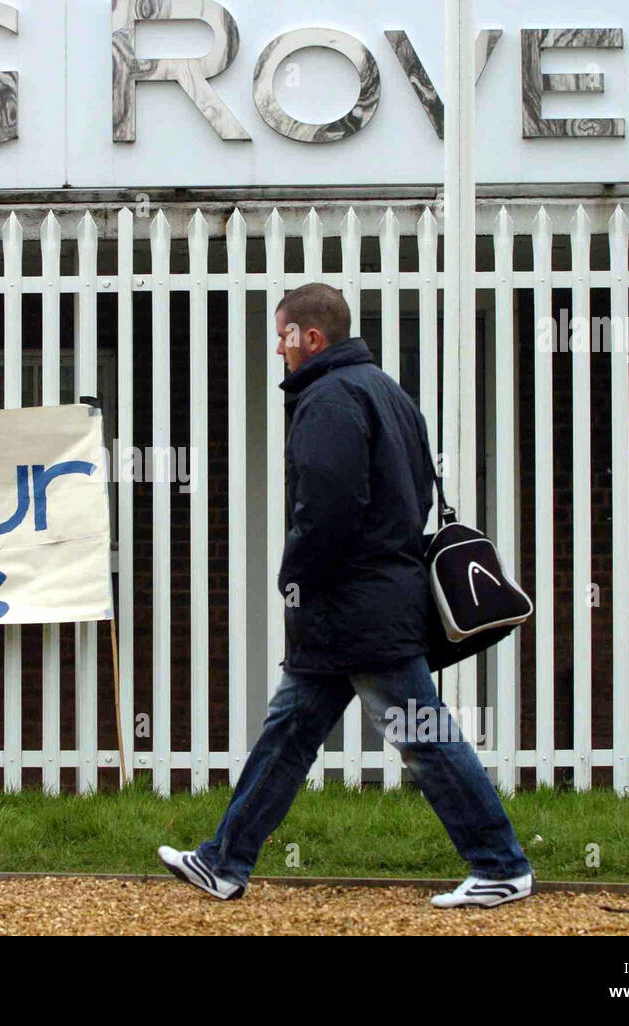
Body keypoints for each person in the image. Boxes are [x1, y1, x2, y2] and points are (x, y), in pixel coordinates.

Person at [158, 283, 533, 908]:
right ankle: (224, 861)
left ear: (312, 337)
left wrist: (296, 575)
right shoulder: (384, 389)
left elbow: (327, 506)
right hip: (365, 602)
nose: (278, 349)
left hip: (353, 605)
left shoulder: (329, 398)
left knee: (423, 734)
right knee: (290, 733)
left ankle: (500, 864)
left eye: (282, 336)